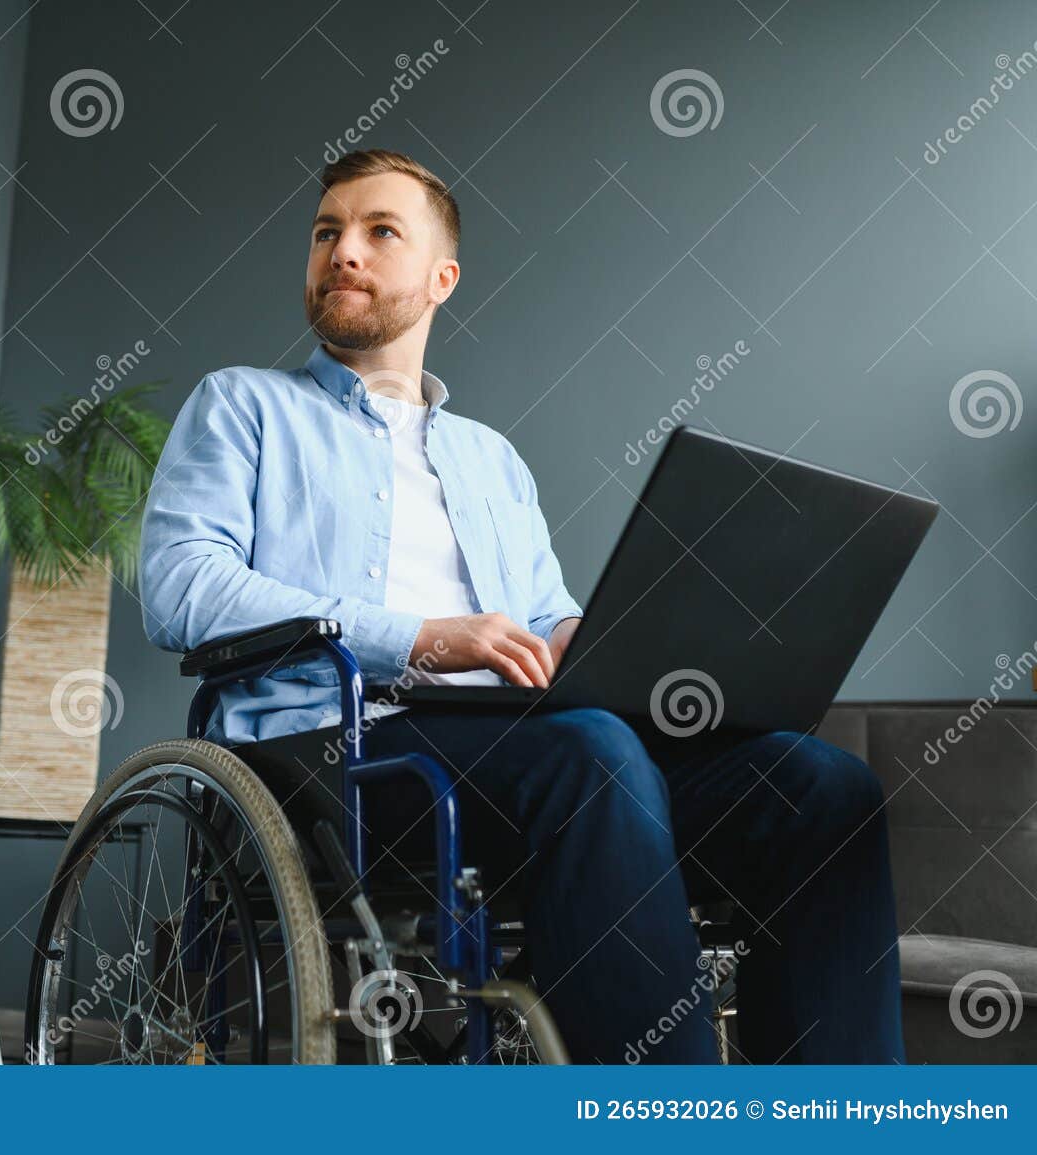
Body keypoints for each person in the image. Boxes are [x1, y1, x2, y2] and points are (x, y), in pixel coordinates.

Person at [137, 148, 904, 1064]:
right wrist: (421, 638)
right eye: (326, 232)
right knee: (594, 755)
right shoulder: (242, 406)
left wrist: (608, 641)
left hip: (519, 747)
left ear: (441, 278)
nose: (345, 251)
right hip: (331, 755)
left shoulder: (491, 459)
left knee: (822, 786)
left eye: (381, 231)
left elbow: (545, 615)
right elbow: (180, 585)